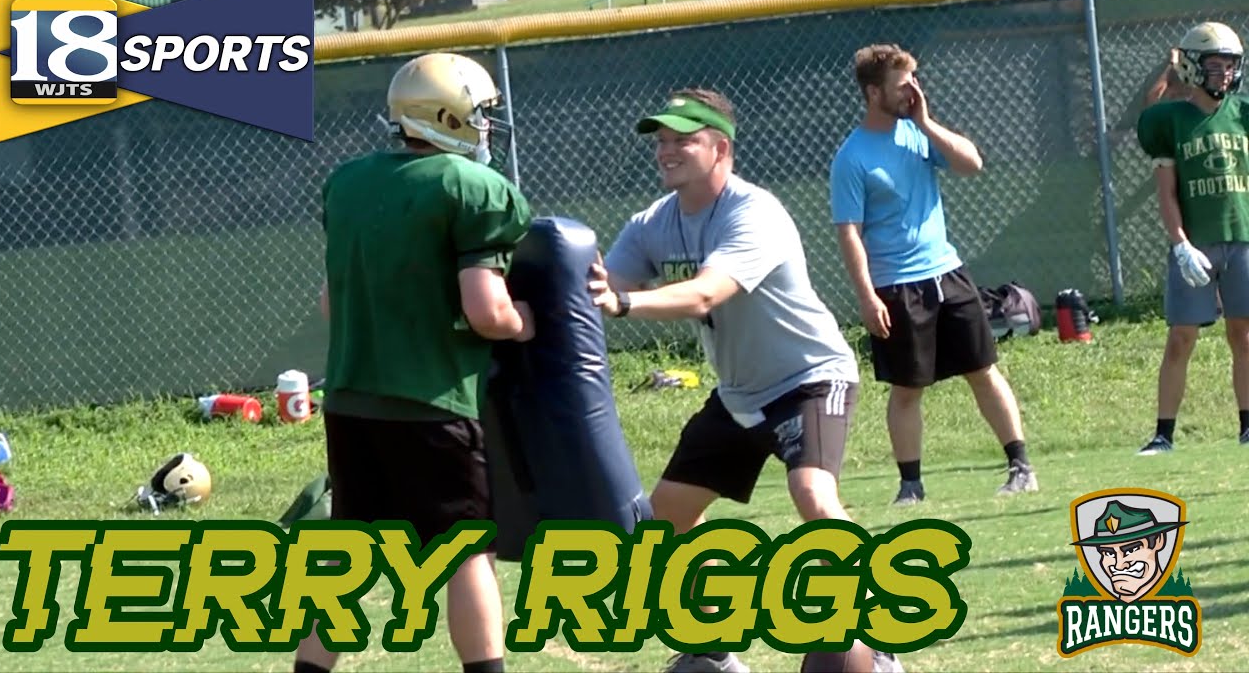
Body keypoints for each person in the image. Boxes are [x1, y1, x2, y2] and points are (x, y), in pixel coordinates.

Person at [589, 88, 901, 673]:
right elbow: (603, 282)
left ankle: (874, 631)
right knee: (665, 523)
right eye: (661, 140)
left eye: (683, 139)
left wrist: (624, 303)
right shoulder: (652, 222)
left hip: (808, 377)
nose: (666, 150)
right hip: (739, 396)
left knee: (812, 493)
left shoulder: (753, 211)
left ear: (720, 148)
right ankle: (713, 642)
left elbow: (706, 292)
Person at [293, 52, 535, 673]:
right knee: (463, 553)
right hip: (432, 401)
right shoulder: (470, 186)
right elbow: (486, 310)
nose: (485, 125)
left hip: (350, 401)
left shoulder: (349, 182)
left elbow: (329, 302)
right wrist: (524, 323)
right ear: (446, 113)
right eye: (479, 112)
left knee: (353, 553)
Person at [828, 43, 1038, 505]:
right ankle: (911, 486)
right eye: (902, 86)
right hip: (897, 288)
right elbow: (849, 234)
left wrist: (924, 122)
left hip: (948, 274)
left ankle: (1021, 466)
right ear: (872, 93)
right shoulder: (852, 157)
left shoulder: (918, 132)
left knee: (983, 371)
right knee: (907, 389)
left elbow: (972, 163)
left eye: (915, 81)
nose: (913, 92)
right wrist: (867, 297)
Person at [1135, 21, 1249, 455]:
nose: (1223, 73)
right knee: (1181, 336)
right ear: (1194, 67)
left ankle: (1247, 426)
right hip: (1196, 243)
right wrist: (1180, 242)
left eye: (1230, 65)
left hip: (1242, 237)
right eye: (1214, 64)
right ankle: (1163, 433)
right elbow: (1166, 191)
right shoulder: (1171, 120)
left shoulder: (1243, 114)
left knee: (1244, 335)